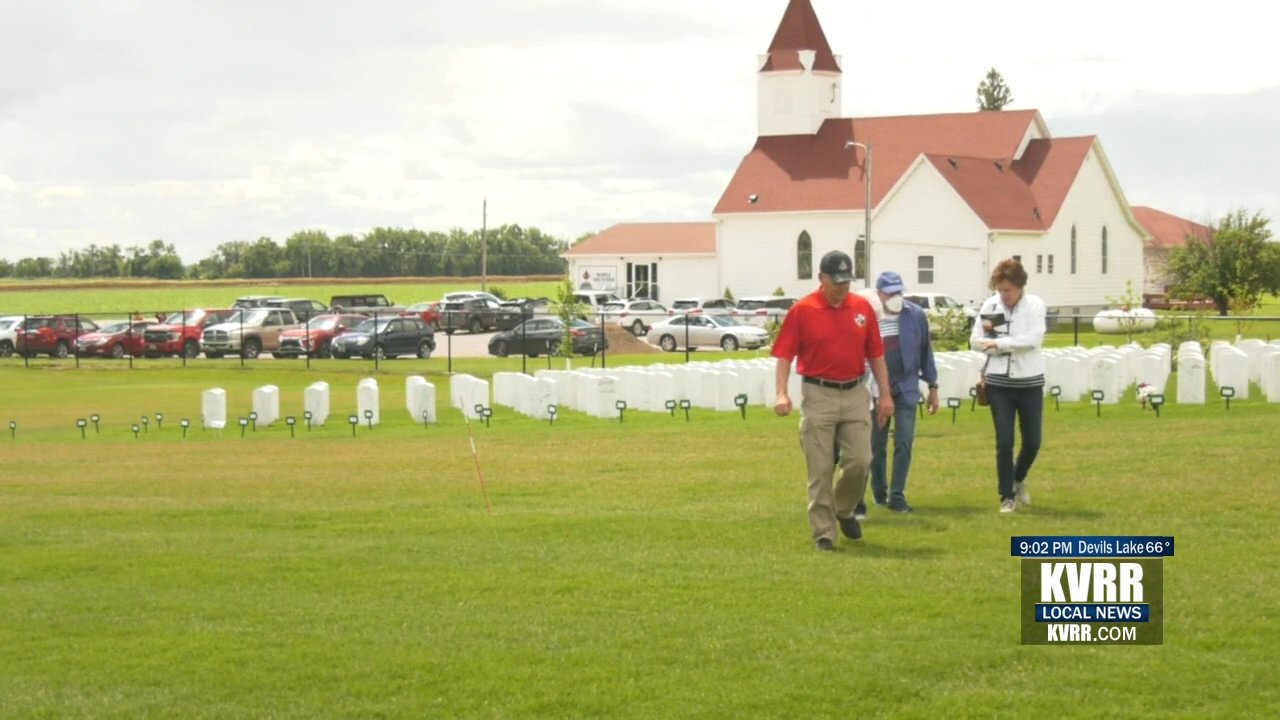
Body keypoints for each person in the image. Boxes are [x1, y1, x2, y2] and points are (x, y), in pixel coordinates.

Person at [773, 250, 893, 551]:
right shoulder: (803, 310)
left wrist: (885, 395)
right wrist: (782, 392)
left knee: (860, 460)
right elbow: (784, 356)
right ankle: (824, 533)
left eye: (846, 281)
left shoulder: (862, 308)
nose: (842, 287)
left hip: (855, 392)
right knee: (820, 468)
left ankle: (844, 508)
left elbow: (876, 355)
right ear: (821, 278)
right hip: (819, 394)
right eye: (836, 281)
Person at [856, 271, 939, 517]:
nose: (895, 297)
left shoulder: (915, 315)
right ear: (879, 294)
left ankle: (898, 495)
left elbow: (925, 352)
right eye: (890, 293)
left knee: (904, 440)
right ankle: (879, 491)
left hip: (906, 386)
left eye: (899, 292)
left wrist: (933, 386)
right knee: (875, 443)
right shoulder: (870, 316)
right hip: (876, 387)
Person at [970, 258, 1046, 513]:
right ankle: (1006, 495)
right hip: (999, 384)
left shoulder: (1034, 305)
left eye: (1008, 290)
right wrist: (991, 345)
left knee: (1033, 441)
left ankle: (1018, 477)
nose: (1003, 295)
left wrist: (1000, 343)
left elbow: (1033, 339)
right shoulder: (990, 306)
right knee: (1004, 441)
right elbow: (975, 340)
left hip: (1029, 381)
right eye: (1000, 290)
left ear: (1020, 286)